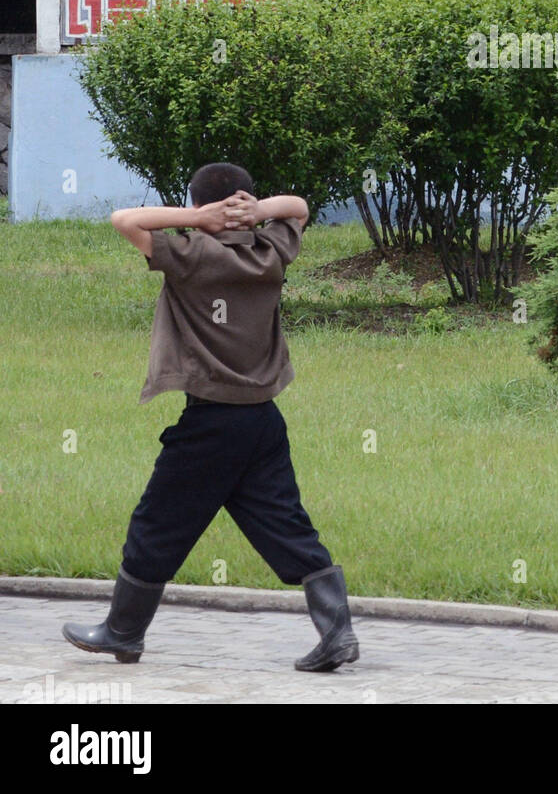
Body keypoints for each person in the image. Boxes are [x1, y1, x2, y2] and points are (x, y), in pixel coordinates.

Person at [61, 163, 358, 673]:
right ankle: (338, 630)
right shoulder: (271, 252)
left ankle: (123, 631)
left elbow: (124, 219)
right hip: (262, 421)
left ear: (201, 205)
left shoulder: (190, 254)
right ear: (246, 203)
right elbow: (300, 207)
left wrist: (198, 219)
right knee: (285, 526)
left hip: (210, 426)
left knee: (156, 525)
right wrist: (258, 211)